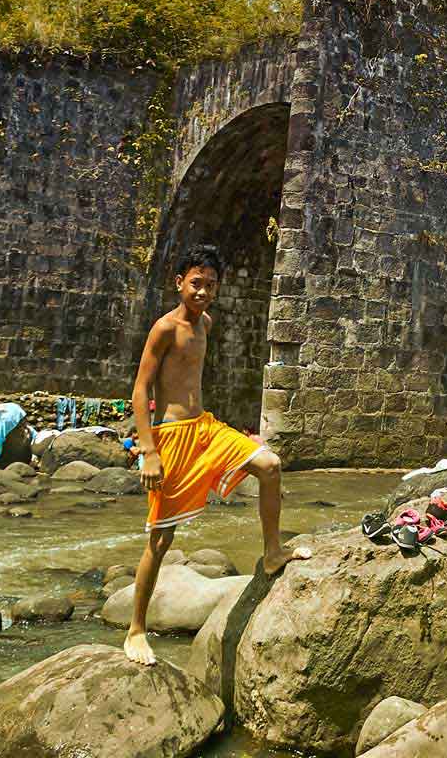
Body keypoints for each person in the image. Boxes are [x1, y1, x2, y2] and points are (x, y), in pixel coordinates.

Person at [124, 243, 308, 666]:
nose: (203, 292)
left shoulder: (205, 322)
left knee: (270, 465)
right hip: (171, 437)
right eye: (196, 283)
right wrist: (147, 450)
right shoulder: (165, 328)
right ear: (179, 283)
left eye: (210, 285)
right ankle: (135, 629)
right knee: (161, 538)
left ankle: (273, 552)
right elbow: (140, 389)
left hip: (205, 428)